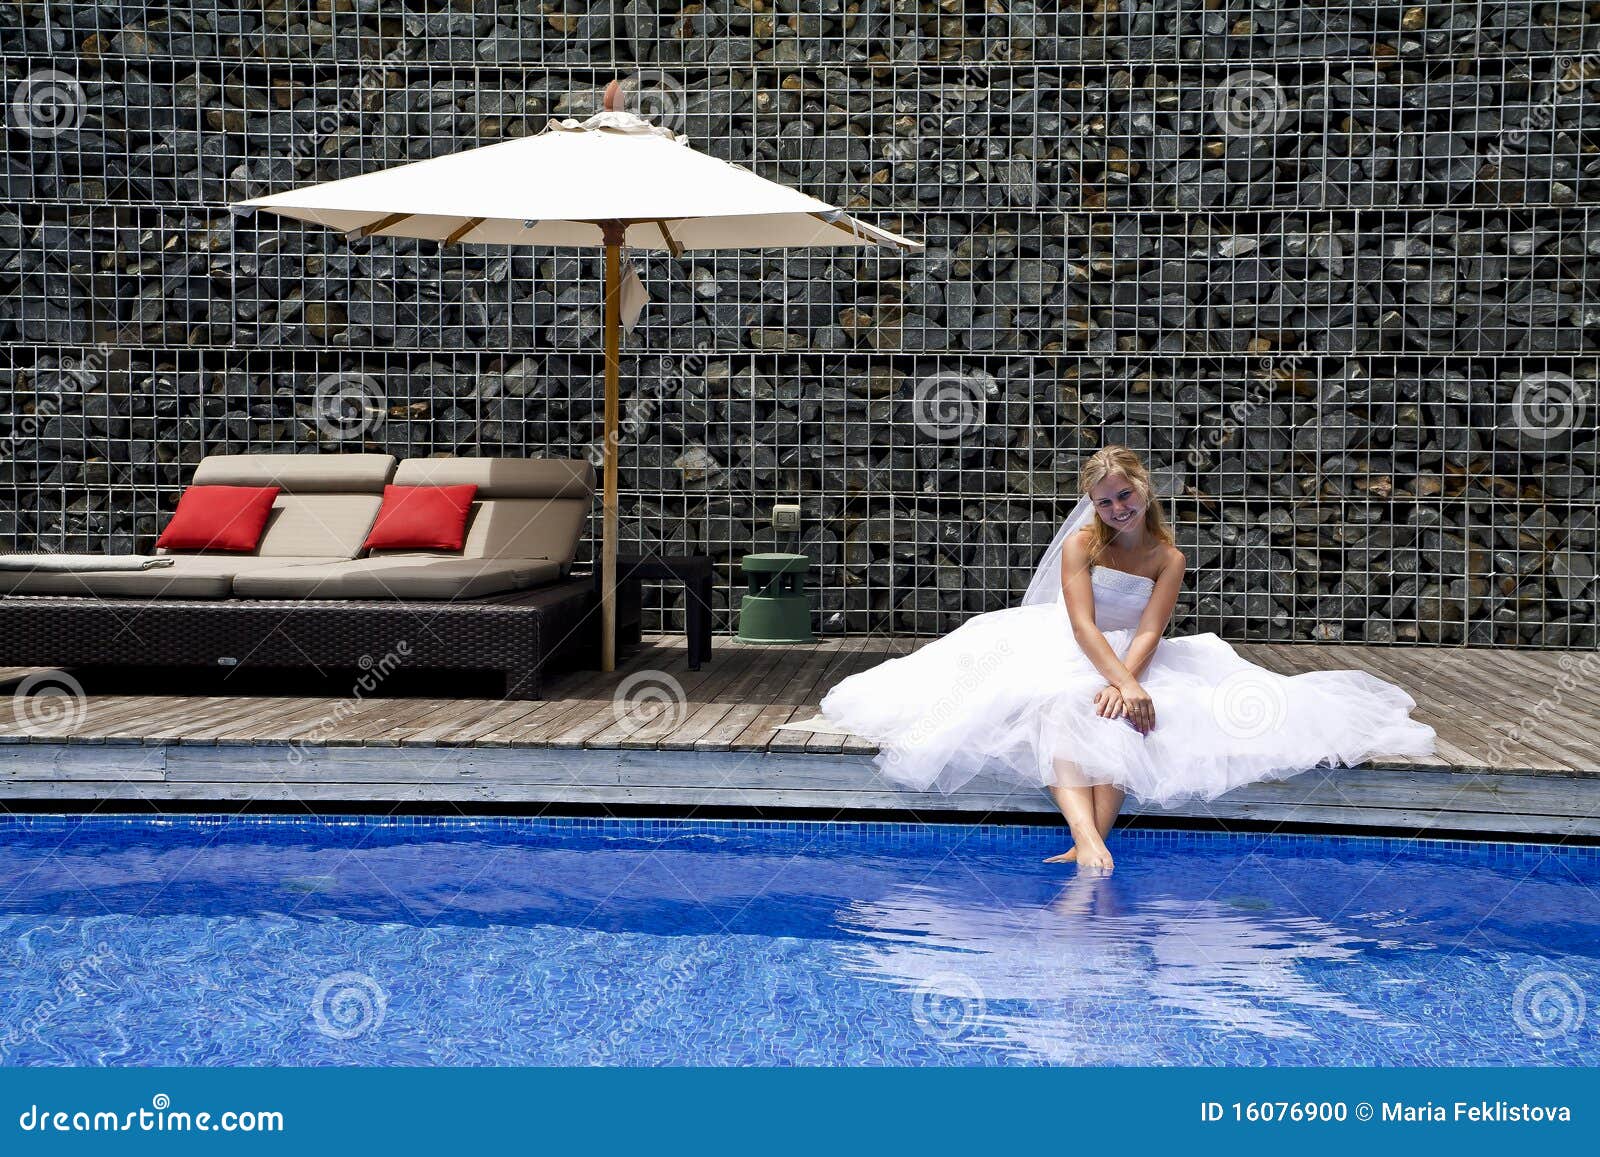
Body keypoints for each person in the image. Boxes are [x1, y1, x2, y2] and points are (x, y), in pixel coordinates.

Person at [801, 445, 1437, 872]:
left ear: (1143, 490)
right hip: (1068, 646)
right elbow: (1080, 624)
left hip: (1136, 655)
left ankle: (1086, 847)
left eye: (1122, 497)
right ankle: (1088, 841)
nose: (1115, 510)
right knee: (1057, 701)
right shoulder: (1083, 544)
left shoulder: (1169, 558)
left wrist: (1130, 682)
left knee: (1122, 720)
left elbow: (1151, 630)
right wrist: (1115, 677)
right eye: (1103, 501)